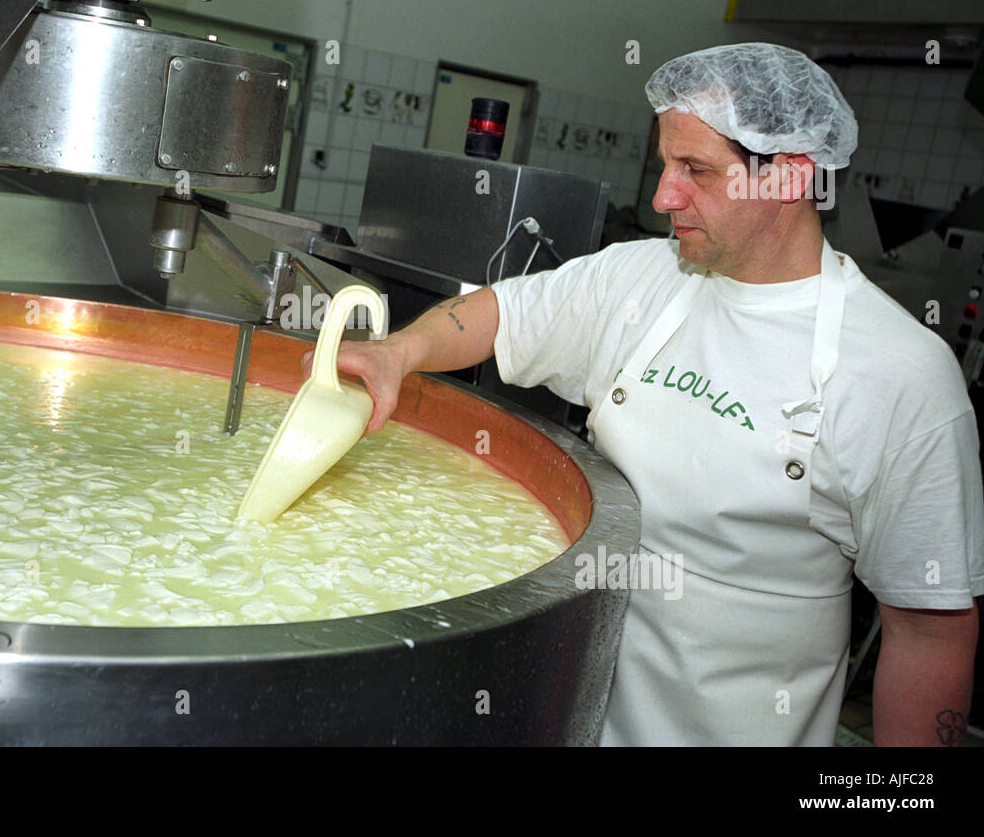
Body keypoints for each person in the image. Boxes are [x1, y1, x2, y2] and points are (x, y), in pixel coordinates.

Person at [320, 42, 983, 746]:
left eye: (695, 170)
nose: (665, 196)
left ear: (788, 177)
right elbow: (505, 312)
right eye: (666, 165)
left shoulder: (900, 374)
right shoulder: (640, 278)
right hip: (574, 715)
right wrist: (402, 350)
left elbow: (928, 634)